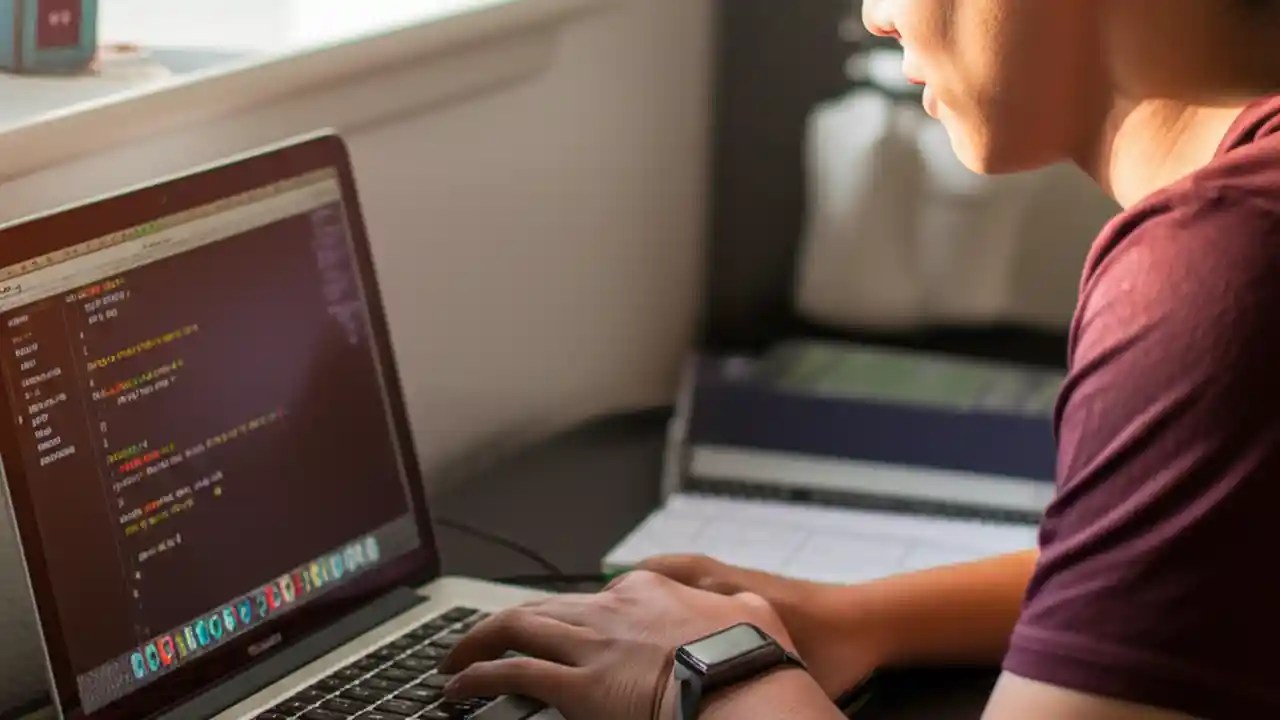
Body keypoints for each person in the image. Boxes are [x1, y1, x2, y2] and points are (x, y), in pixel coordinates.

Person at [441, 0, 1280, 717]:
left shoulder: (1217, 270)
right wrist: (863, 616)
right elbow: (1205, 570)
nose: (877, 14)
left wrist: (717, 670)